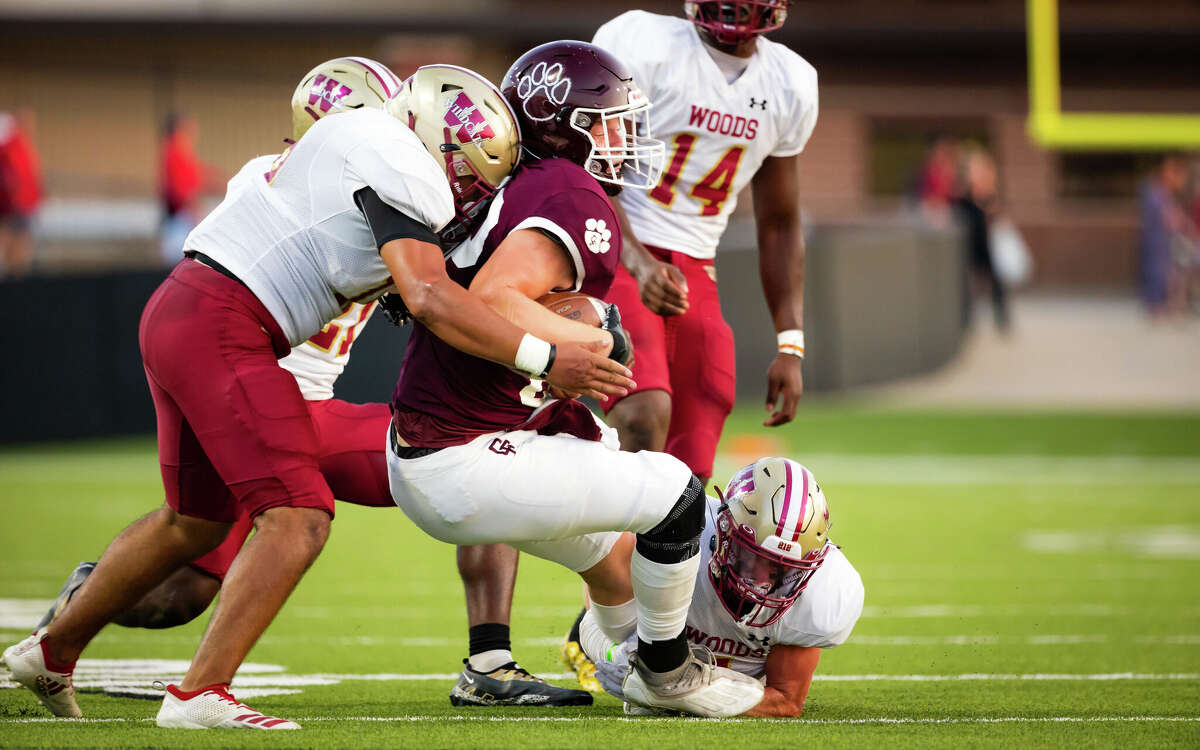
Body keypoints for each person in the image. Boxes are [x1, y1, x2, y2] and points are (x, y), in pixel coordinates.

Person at [3, 63, 632, 730]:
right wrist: (545, 354)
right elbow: (428, 295)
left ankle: (51, 650)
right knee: (300, 515)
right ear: (437, 142)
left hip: (187, 311)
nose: (470, 195)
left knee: (194, 523)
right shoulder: (397, 159)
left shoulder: (352, 148)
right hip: (229, 328)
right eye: (471, 174)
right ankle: (199, 695)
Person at [386, 40, 763, 719]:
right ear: (564, 126)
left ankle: (629, 666)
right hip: (462, 457)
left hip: (441, 443)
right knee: (677, 497)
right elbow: (499, 300)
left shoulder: (524, 185)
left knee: (618, 560)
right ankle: (668, 674)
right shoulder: (568, 191)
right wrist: (576, 342)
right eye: (612, 122)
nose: (628, 137)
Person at [590, 1, 816, 490]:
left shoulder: (791, 82)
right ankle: (608, 554)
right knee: (643, 413)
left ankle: (654, 564)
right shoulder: (643, 44)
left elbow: (779, 221)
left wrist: (791, 344)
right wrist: (638, 261)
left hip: (696, 266)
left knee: (691, 464)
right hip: (616, 244)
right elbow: (593, 173)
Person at [571, 457, 863, 717]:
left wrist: (674, 698)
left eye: (782, 568)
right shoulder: (682, 530)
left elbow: (785, 699)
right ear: (722, 528)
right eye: (752, 557)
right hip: (643, 641)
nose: (761, 578)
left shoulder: (821, 593)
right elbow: (604, 583)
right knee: (596, 630)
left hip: (738, 682)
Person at [955, 146, 1009, 331]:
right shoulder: (963, 189)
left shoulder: (987, 185)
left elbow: (994, 208)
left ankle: (1001, 317)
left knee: (994, 277)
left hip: (983, 238)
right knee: (966, 279)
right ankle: (966, 318)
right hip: (969, 238)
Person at [158, 113, 223, 265]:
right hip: (181, 220)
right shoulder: (175, 152)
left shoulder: (180, 152)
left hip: (180, 219)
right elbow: (183, 192)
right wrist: (197, 218)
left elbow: (198, 177)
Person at [1138, 152, 1190, 318]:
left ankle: (1162, 306)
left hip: (1161, 240)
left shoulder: (1161, 193)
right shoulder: (1156, 193)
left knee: (1166, 271)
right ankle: (1157, 306)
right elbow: (1170, 219)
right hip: (1157, 240)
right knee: (1159, 271)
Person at [0, 107, 43, 278]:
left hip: (25, 207)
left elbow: (30, 178)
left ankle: (17, 278)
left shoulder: (24, 146)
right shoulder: (10, 143)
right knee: (10, 242)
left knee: (21, 249)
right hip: (11, 207)